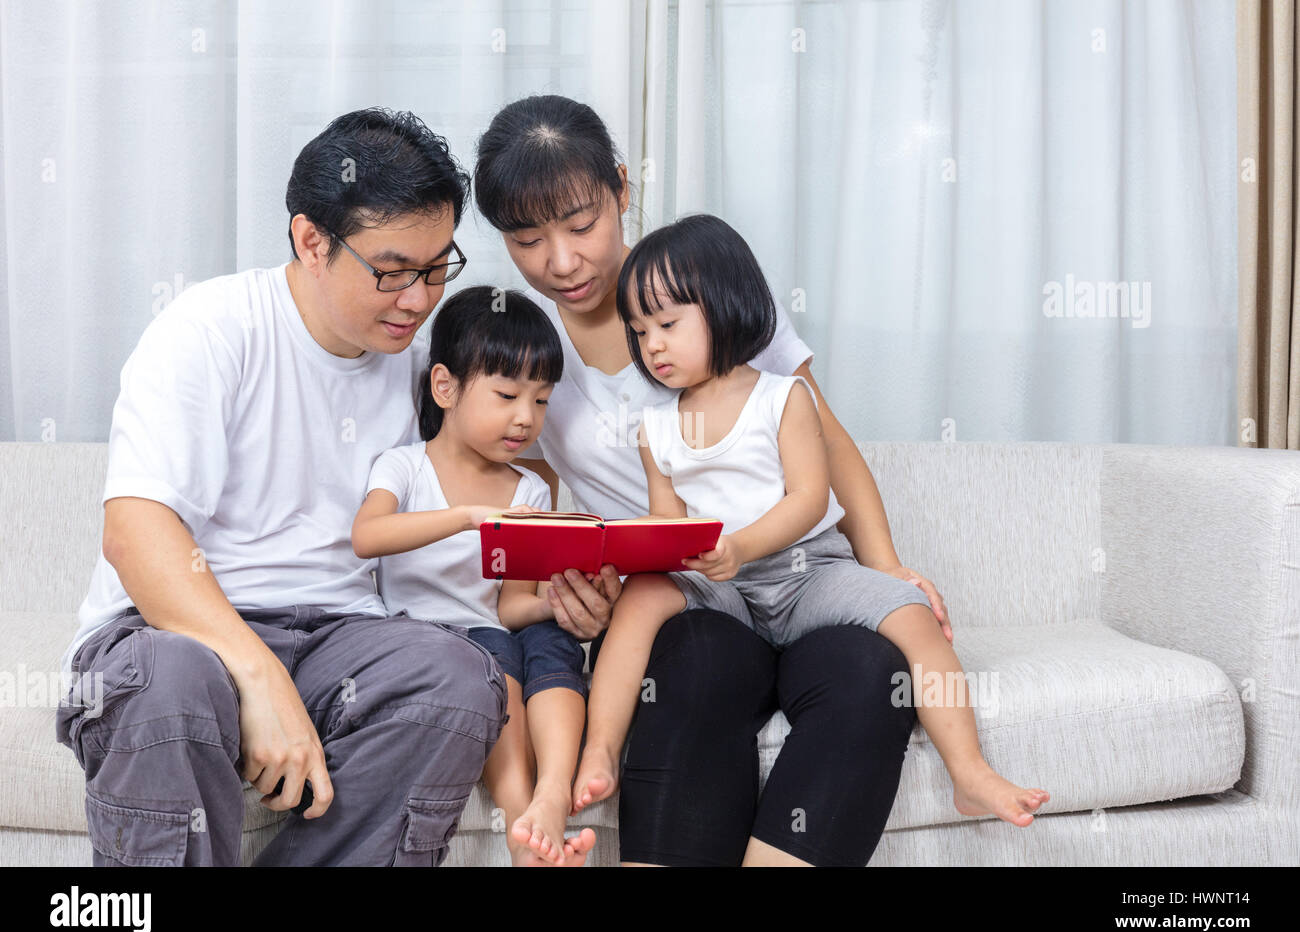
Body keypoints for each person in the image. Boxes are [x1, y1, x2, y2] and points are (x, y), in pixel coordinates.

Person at [473, 93, 954, 866]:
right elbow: (528, 508)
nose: (560, 262)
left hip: (794, 572)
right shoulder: (522, 353)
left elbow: (826, 444)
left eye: (582, 225)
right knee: (694, 664)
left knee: (869, 671)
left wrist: (886, 567)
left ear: (622, 191)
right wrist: (570, 594)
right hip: (686, 597)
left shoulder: (702, 293)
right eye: (527, 240)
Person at [54, 108, 507, 866]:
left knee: (457, 678)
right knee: (172, 680)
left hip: (340, 639)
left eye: (438, 268)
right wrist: (258, 676)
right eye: (393, 272)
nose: (419, 298)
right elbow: (137, 533)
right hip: (168, 632)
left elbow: (493, 488)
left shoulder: (425, 367)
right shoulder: (210, 328)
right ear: (311, 241)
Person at [571, 213, 1051, 828]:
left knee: (911, 610)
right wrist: (624, 549)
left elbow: (808, 498)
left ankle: (970, 771)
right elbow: (668, 522)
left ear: (725, 308)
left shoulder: (781, 398)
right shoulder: (656, 426)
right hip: (721, 586)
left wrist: (740, 545)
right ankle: (600, 752)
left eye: (667, 324)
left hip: (806, 573)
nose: (652, 346)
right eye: (639, 333)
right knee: (641, 598)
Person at [351, 285, 597, 866]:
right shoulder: (405, 465)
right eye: (508, 394)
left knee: (550, 640)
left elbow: (511, 607)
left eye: (541, 401)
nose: (525, 417)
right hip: (431, 638)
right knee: (492, 651)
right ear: (446, 387)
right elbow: (368, 536)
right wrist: (466, 519)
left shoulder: (530, 488)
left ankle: (553, 794)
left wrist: (559, 601)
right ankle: (520, 821)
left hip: (496, 628)